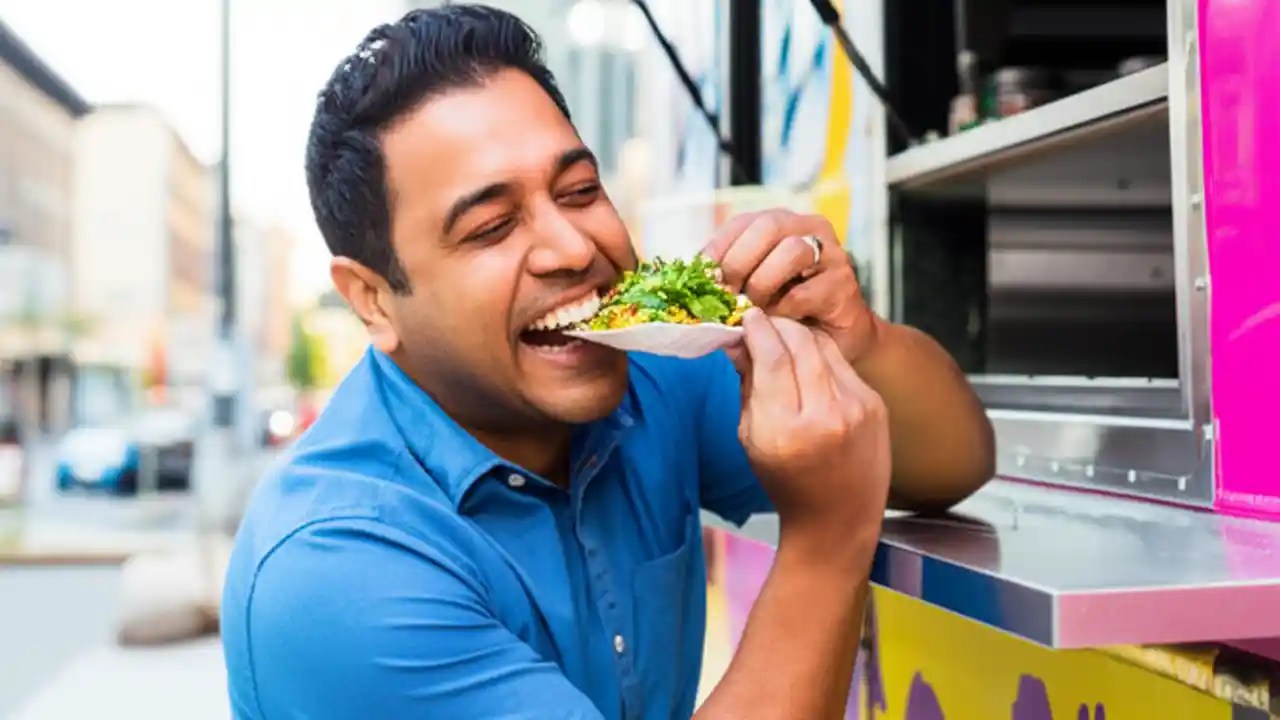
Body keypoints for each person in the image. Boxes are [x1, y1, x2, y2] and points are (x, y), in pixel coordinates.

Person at [220, 5, 995, 719]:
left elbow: (953, 461)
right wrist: (827, 540)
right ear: (373, 301)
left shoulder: (648, 376)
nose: (573, 247)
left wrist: (854, 339)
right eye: (492, 228)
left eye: (581, 189)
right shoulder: (335, 571)